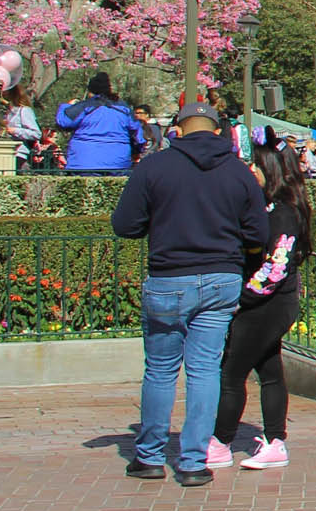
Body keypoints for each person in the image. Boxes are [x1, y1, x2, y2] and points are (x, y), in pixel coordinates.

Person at [111, 101, 269, 485]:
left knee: (161, 370)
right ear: (217, 132)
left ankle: (149, 456)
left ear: (177, 131)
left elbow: (125, 225)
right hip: (221, 278)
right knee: (204, 371)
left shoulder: (154, 167)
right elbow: (258, 233)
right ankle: (194, 462)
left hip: (170, 277)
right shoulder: (238, 171)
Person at [209, 141, 311, 470]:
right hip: (267, 303)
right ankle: (275, 441)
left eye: (258, 165)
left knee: (231, 373)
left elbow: (276, 268)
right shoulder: (268, 207)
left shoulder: (284, 213)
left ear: (273, 170)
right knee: (269, 371)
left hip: (268, 306)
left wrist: (241, 298)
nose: (251, 170)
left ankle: (220, 442)